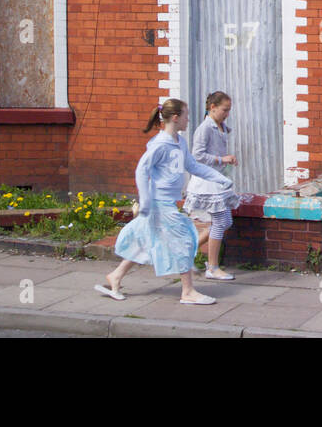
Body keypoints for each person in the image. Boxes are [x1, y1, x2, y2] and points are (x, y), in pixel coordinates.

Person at [94, 98, 233, 305]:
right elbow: (142, 170)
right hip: (159, 204)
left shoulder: (179, 142)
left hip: (166, 203)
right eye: (186, 115)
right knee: (184, 241)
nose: (188, 119)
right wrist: (146, 200)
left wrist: (220, 178)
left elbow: (193, 166)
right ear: (175, 118)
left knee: (144, 240)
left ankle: (115, 276)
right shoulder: (160, 144)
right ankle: (187, 291)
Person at [184, 90, 242, 281]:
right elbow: (197, 155)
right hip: (207, 182)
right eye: (225, 110)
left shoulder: (220, 126)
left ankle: (187, 251)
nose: (227, 114)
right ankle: (212, 267)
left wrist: (226, 160)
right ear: (213, 107)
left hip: (217, 180)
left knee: (225, 222)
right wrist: (221, 158)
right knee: (220, 222)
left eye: (229, 110)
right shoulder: (205, 128)